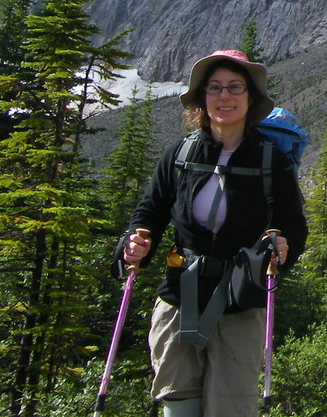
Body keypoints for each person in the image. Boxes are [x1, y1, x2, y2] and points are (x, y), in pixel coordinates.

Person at [120, 49, 307, 417]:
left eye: (235, 87)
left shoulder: (272, 161)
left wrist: (286, 247)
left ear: (251, 98)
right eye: (215, 88)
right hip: (179, 295)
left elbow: (293, 224)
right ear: (202, 98)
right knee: (178, 402)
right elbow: (150, 211)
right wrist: (136, 240)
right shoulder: (180, 154)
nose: (225, 97)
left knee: (231, 408)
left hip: (240, 297)